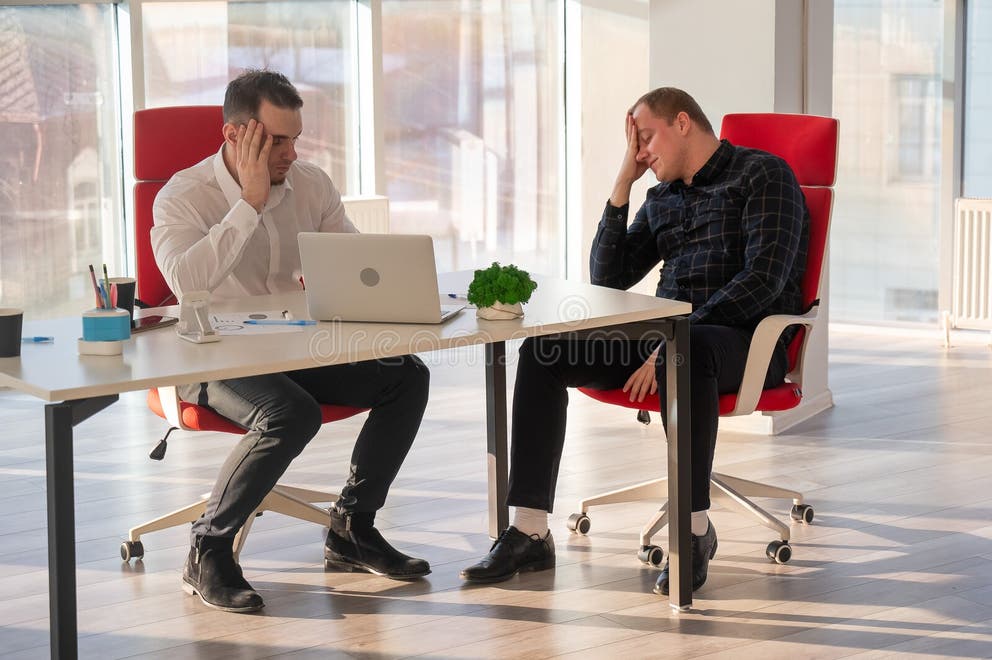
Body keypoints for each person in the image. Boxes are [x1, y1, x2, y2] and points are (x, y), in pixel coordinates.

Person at [460, 87, 808, 595]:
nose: (642, 152)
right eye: (634, 145)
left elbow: (764, 281)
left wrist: (671, 342)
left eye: (645, 138)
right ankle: (530, 530)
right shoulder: (661, 196)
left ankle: (693, 533)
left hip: (744, 340)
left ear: (682, 123)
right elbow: (608, 278)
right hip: (665, 339)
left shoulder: (763, 175)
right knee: (545, 348)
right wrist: (623, 182)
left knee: (689, 353)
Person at [152, 69, 432, 613]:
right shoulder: (182, 196)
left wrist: (402, 298)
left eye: (295, 138)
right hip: (208, 356)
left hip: (294, 347)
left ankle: (352, 528)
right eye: (277, 140)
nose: (290, 153)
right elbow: (188, 284)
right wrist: (249, 204)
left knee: (406, 374)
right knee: (291, 413)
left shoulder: (310, 183)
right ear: (235, 135)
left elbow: (357, 267)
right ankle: (207, 549)